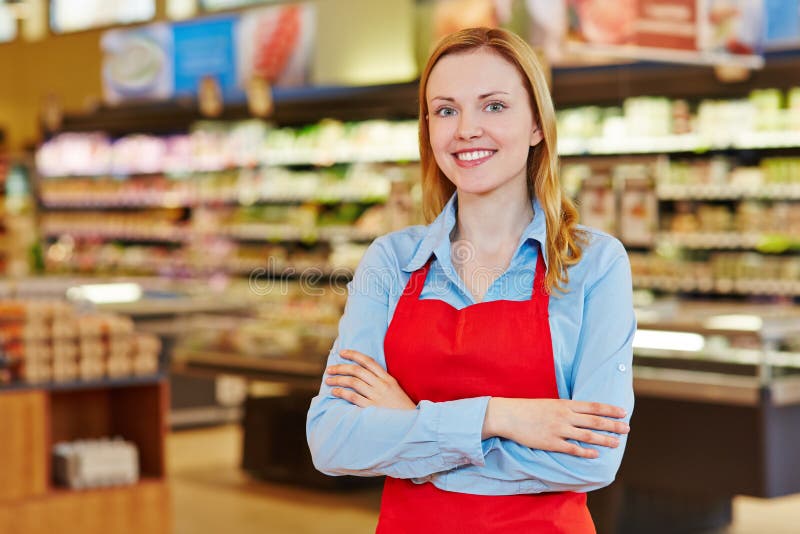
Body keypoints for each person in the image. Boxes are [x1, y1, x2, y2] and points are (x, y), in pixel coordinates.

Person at [306, 26, 635, 533]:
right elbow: (332, 441)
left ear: (536, 126)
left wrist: (412, 423)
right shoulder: (392, 262)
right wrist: (500, 417)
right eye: (446, 110)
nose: (466, 129)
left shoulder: (593, 264)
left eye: (494, 106)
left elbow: (591, 459)